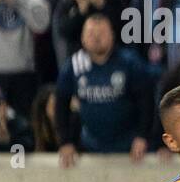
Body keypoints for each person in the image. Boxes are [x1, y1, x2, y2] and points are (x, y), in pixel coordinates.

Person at [54, 11, 154, 163]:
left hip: (128, 147)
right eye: (91, 33)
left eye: (101, 33)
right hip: (90, 146)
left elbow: (147, 100)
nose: (96, 38)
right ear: (82, 38)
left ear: (112, 35)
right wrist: (65, 141)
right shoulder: (74, 65)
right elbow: (61, 103)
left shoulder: (129, 63)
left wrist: (142, 136)